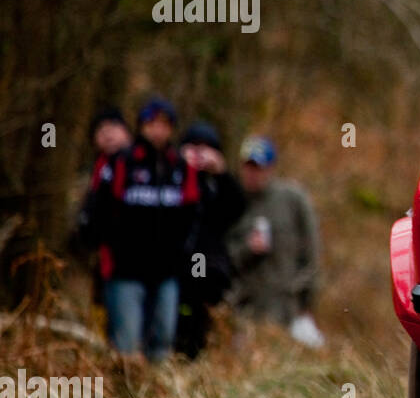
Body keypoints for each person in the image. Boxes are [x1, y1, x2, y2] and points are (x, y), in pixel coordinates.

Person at [87, 96, 199, 362]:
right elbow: (100, 211)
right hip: (125, 271)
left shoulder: (181, 167)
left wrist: (184, 256)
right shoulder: (121, 163)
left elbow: (193, 214)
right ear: (141, 126)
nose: (158, 131)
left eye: (164, 124)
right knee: (126, 341)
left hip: (166, 272)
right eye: (151, 124)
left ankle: (157, 397)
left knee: (162, 339)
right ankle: (124, 396)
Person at [227, 136, 324, 347]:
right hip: (246, 311)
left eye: (259, 168)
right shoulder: (232, 202)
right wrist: (247, 249)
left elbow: (312, 251)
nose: (253, 174)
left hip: (287, 308)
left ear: (271, 168)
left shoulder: (293, 199)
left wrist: (305, 299)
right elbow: (222, 257)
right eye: (249, 167)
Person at [176, 122, 246, 359]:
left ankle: (198, 357)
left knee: (200, 316)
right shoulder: (173, 177)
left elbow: (237, 209)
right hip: (174, 262)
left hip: (209, 266)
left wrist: (222, 172)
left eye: (206, 149)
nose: (199, 155)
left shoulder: (218, 184)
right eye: (194, 148)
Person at [72, 107, 133, 308]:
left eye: (113, 126)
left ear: (126, 131)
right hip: (99, 261)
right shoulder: (92, 173)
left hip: (133, 265)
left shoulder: (141, 168)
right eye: (101, 129)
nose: (107, 133)